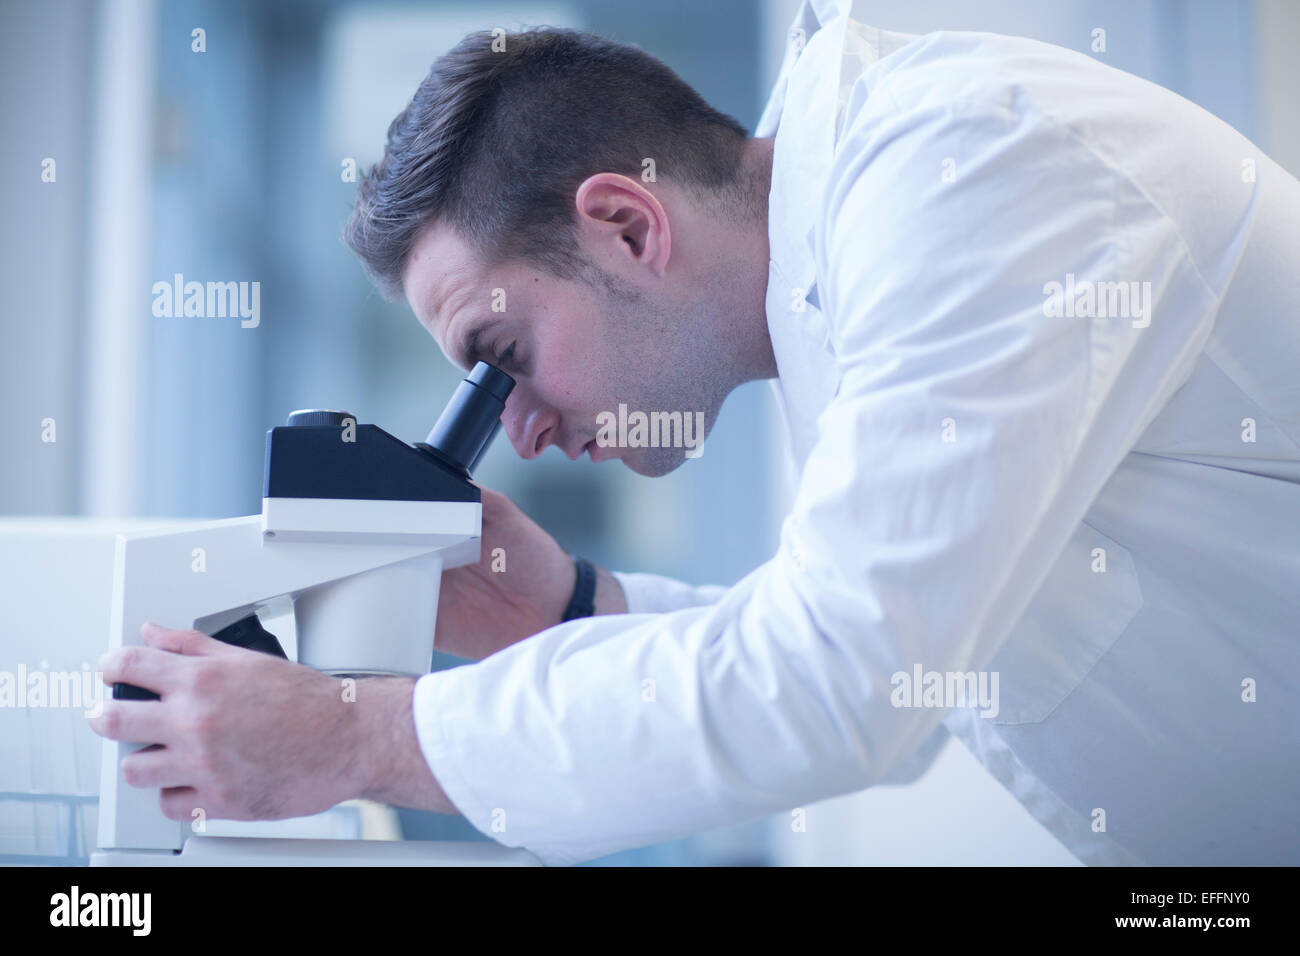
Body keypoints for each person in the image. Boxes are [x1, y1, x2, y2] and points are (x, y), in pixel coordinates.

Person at [91, 0, 1300, 865]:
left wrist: (361, 736)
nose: (513, 427)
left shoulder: (961, 172)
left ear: (624, 226)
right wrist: (568, 605)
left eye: (501, 358)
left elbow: (842, 687)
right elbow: (916, 677)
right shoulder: (851, 277)